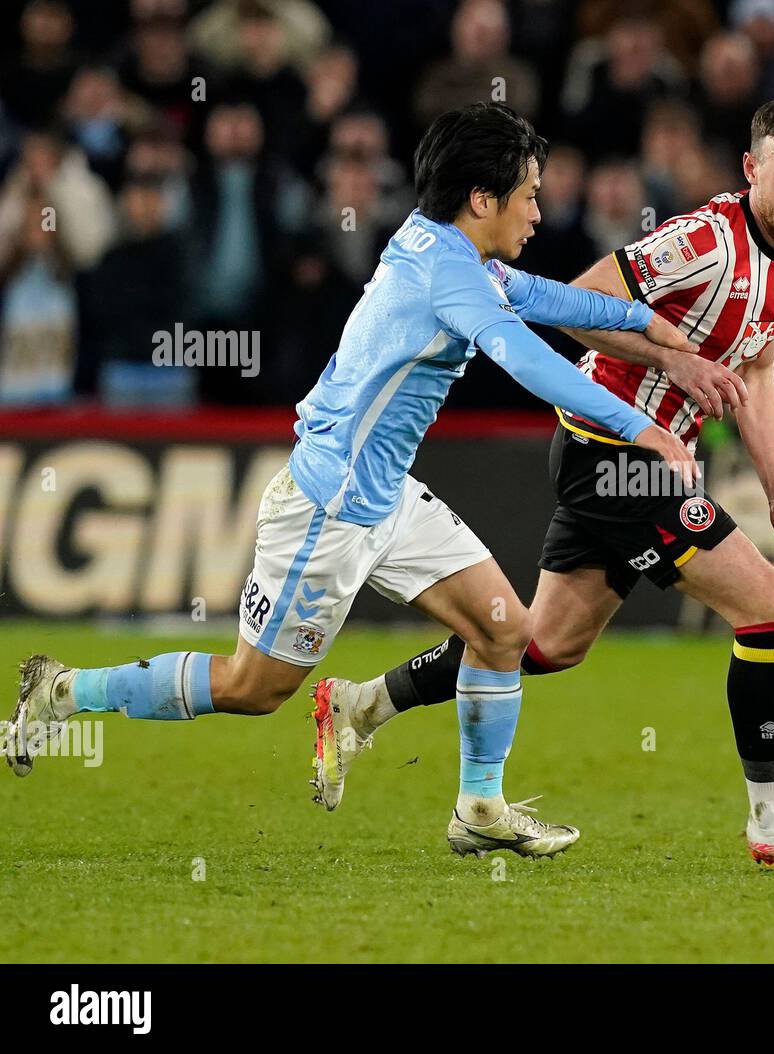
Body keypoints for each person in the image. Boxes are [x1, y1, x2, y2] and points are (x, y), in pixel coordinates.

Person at [4, 103, 699, 863]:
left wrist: (655, 331)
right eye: (528, 194)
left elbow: (543, 297)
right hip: (328, 508)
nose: (538, 210)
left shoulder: (446, 249)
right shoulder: (449, 277)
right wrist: (644, 428)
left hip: (386, 495)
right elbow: (526, 357)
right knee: (252, 688)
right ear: (481, 200)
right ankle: (63, 690)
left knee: (504, 629)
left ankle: (479, 808)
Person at [315, 97, 774, 874]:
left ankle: (363, 703)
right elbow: (578, 303)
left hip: (631, 459)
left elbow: (755, 371)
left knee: (543, 645)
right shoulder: (705, 242)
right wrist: (671, 359)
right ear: (751, 169)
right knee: (771, 613)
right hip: (616, 455)